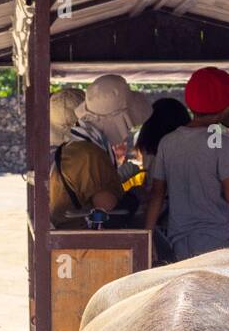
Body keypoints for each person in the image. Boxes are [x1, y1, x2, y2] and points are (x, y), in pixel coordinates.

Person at [144, 67, 229, 260]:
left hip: (179, 238)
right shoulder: (220, 142)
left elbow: (157, 195)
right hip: (215, 239)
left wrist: (147, 238)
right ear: (227, 108)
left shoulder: (168, 141)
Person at [49, 75, 152, 227]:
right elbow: (109, 217)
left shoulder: (77, 147)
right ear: (118, 119)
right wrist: (136, 195)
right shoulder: (89, 155)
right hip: (86, 245)